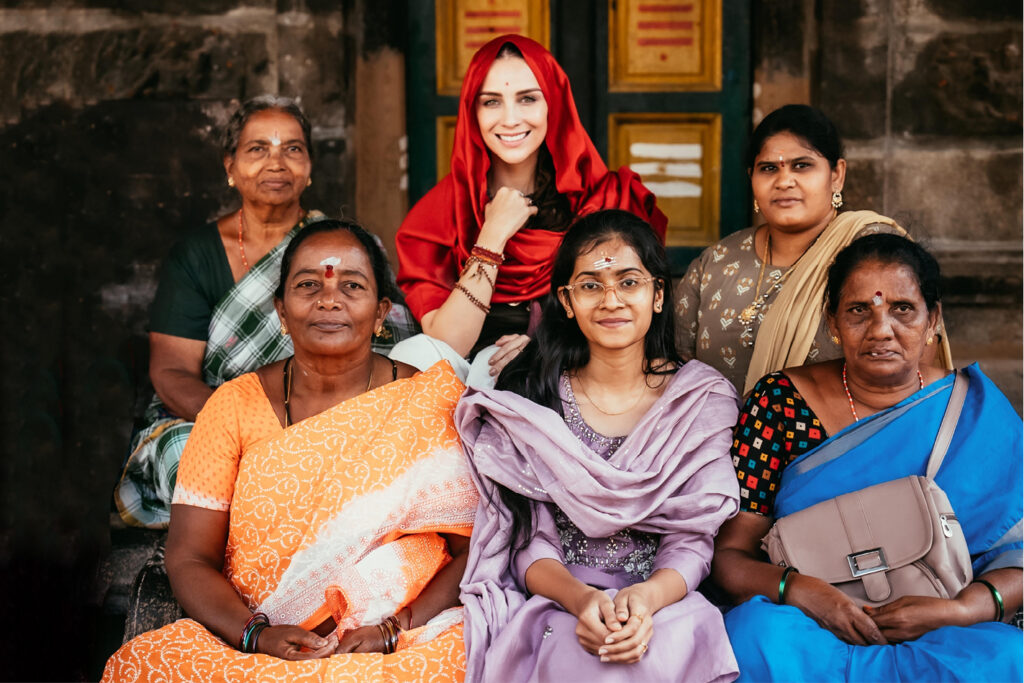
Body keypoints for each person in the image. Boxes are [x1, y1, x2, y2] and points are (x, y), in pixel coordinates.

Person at [103, 220, 479, 682]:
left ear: (382, 312)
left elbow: (476, 547)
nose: (329, 299)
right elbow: (189, 558)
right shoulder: (234, 406)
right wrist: (256, 634)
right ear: (281, 310)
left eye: (352, 285)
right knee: (144, 667)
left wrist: (395, 629)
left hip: (403, 642)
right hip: (255, 646)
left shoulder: (431, 400)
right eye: (307, 285)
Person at [712, 233, 1022, 682]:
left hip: (945, 628)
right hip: (810, 627)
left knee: (1010, 657)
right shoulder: (780, 402)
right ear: (833, 322)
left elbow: (1019, 553)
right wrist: (800, 591)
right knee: (750, 634)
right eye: (859, 310)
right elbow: (729, 555)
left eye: (902, 309)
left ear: (933, 319)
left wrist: (957, 610)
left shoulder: (974, 411)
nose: (881, 329)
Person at [456, 210, 740, 682]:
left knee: (664, 648)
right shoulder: (531, 398)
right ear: (566, 301)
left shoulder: (699, 400)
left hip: (663, 601)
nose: (611, 300)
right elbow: (527, 537)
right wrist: (582, 600)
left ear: (658, 294)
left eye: (629, 282)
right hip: (560, 600)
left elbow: (693, 538)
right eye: (590, 285)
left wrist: (646, 599)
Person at [114, 95, 416, 528]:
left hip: (336, 413)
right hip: (217, 416)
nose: (277, 163)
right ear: (230, 166)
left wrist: (311, 426)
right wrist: (259, 427)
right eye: (258, 149)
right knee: (188, 457)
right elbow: (172, 373)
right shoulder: (197, 256)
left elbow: (394, 349)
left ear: (309, 168)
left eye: (292, 149)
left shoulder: (349, 247)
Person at [394, 34, 666, 386]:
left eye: (527, 99)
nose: (510, 119)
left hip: (586, 380)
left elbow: (637, 314)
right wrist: (493, 235)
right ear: (471, 111)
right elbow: (447, 344)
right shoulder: (438, 214)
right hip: (470, 386)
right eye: (491, 102)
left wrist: (546, 345)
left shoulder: (607, 199)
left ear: (554, 103)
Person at [675, 104, 952, 397]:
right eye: (768, 168)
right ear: (751, 178)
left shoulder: (878, 253)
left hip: (849, 438)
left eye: (802, 165)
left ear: (837, 175)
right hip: (723, 441)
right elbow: (680, 376)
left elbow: (916, 365)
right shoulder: (715, 262)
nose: (784, 181)